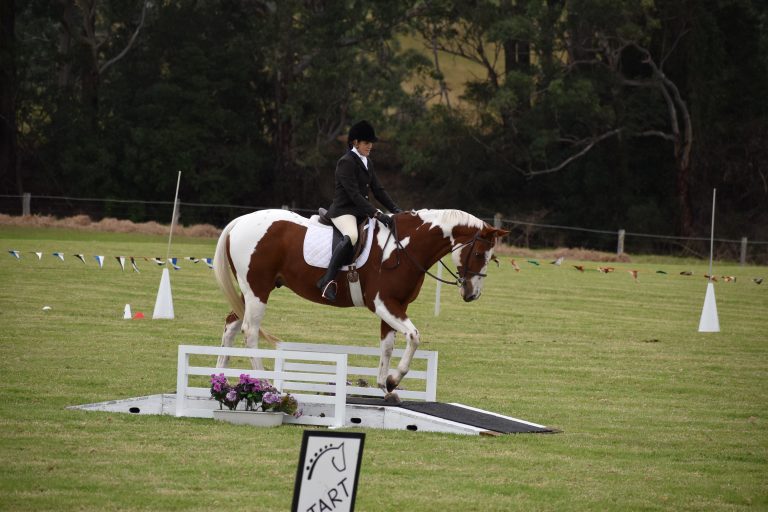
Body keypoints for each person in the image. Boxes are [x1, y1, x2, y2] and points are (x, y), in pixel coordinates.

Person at [316, 120, 402, 301]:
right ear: (355, 143)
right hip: (343, 211)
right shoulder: (345, 162)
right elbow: (354, 195)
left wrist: (395, 209)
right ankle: (326, 280)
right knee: (352, 236)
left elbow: (378, 190)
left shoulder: (367, 162)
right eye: (366, 143)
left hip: (360, 212)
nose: (370, 146)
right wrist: (377, 214)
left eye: (371, 143)